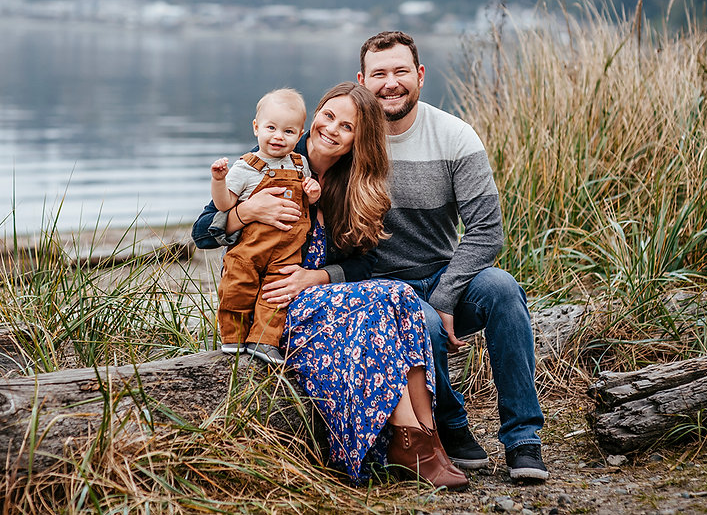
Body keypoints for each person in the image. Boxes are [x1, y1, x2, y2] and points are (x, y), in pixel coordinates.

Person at [194, 32, 548, 482]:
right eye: (379, 74)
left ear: (419, 75)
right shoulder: (292, 157)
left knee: (503, 289)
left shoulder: (441, 140)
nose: (390, 83)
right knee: (415, 318)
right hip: (372, 284)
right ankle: (450, 428)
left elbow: (485, 232)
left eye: (401, 71)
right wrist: (246, 210)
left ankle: (522, 440)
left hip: (435, 275)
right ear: (363, 82)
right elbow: (205, 229)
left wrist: (444, 297)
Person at [194, 82, 468, 489]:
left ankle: (426, 441)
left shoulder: (355, 180)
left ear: (360, 138)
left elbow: (365, 264)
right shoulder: (275, 155)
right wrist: (246, 211)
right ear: (314, 116)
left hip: (317, 295)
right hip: (273, 308)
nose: (333, 129)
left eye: (348, 126)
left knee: (397, 294)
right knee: (390, 296)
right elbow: (202, 233)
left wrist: (315, 276)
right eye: (328, 116)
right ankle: (414, 444)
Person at [209, 88, 321, 365]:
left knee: (276, 295)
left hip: (287, 250)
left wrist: (313, 191)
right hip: (250, 248)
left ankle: (264, 341)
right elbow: (224, 205)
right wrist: (218, 181)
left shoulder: (300, 164)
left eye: (288, 131)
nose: (278, 136)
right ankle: (233, 339)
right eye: (271, 128)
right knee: (237, 288)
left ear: (300, 134)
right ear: (257, 128)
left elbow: (307, 200)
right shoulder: (246, 167)